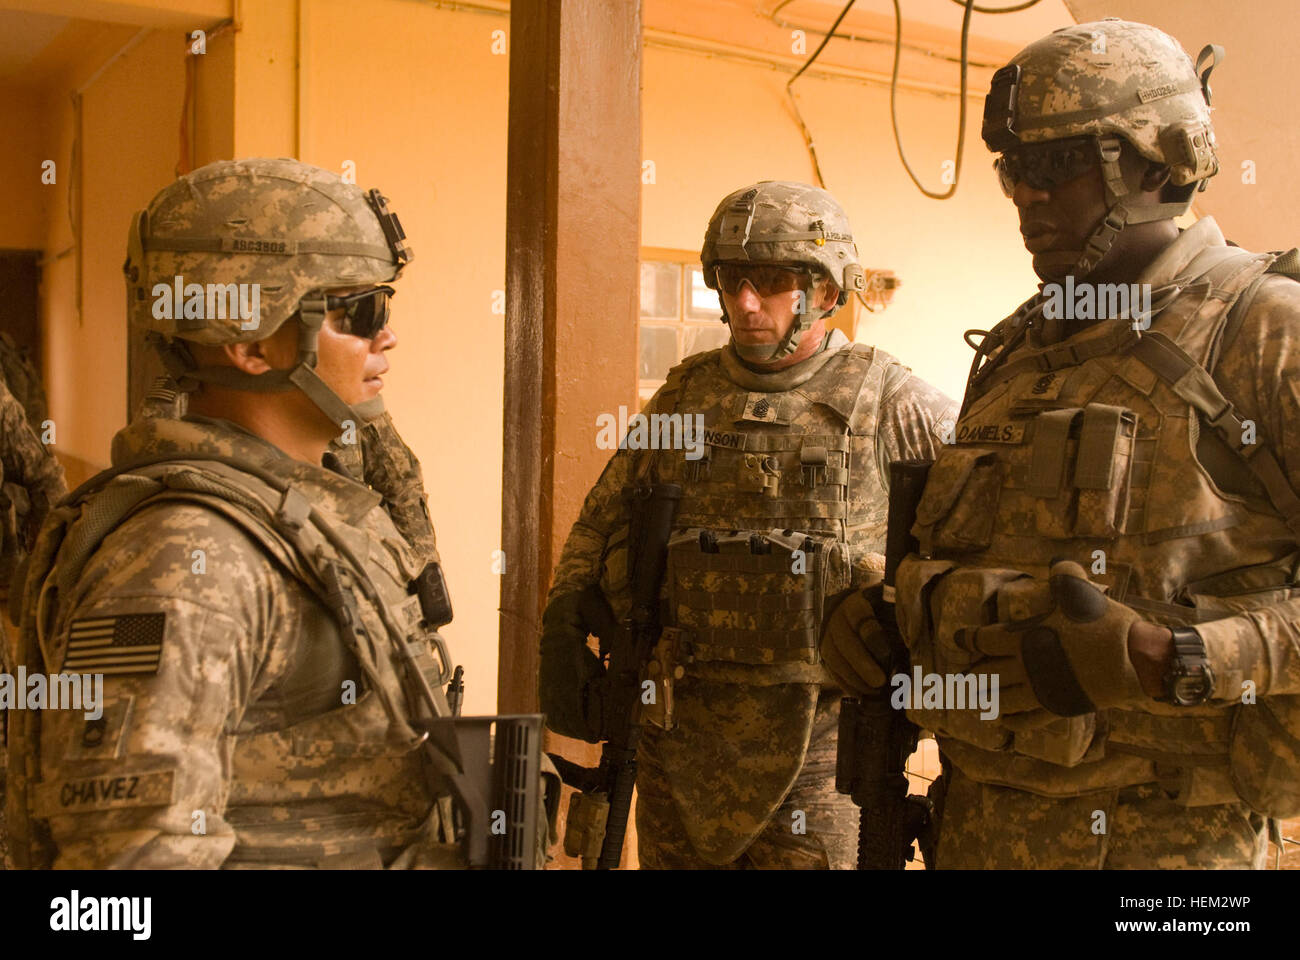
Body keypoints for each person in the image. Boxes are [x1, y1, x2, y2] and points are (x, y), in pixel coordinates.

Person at [874, 18, 1300, 868]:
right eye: (1014, 171)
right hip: (974, 832)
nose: (1027, 196)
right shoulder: (1015, 351)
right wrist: (885, 625)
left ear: (1159, 161)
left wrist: (1179, 653)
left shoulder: (1262, 335)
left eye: (1059, 165)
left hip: (1169, 856)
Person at [5, 158, 477, 869]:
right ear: (251, 343)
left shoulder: (311, 511)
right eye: (359, 311)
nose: (387, 337)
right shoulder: (184, 559)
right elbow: (127, 868)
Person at [540, 180, 958, 868]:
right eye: (731, 281)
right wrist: (561, 621)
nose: (745, 303)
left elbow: (976, 529)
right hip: (683, 736)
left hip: (823, 748)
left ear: (826, 290)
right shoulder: (686, 395)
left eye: (770, 281)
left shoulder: (890, 401)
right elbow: (603, 515)